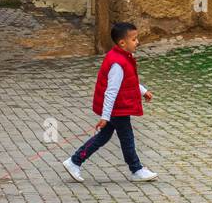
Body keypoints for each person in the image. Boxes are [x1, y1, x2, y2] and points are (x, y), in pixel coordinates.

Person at [63, 21, 157, 182]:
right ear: (122, 43)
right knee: (127, 137)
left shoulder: (123, 57)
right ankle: (136, 169)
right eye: (134, 39)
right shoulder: (117, 64)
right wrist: (105, 117)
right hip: (117, 109)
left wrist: (142, 91)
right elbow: (110, 92)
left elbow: (130, 81)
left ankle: (74, 161)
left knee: (103, 137)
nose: (138, 42)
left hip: (117, 108)